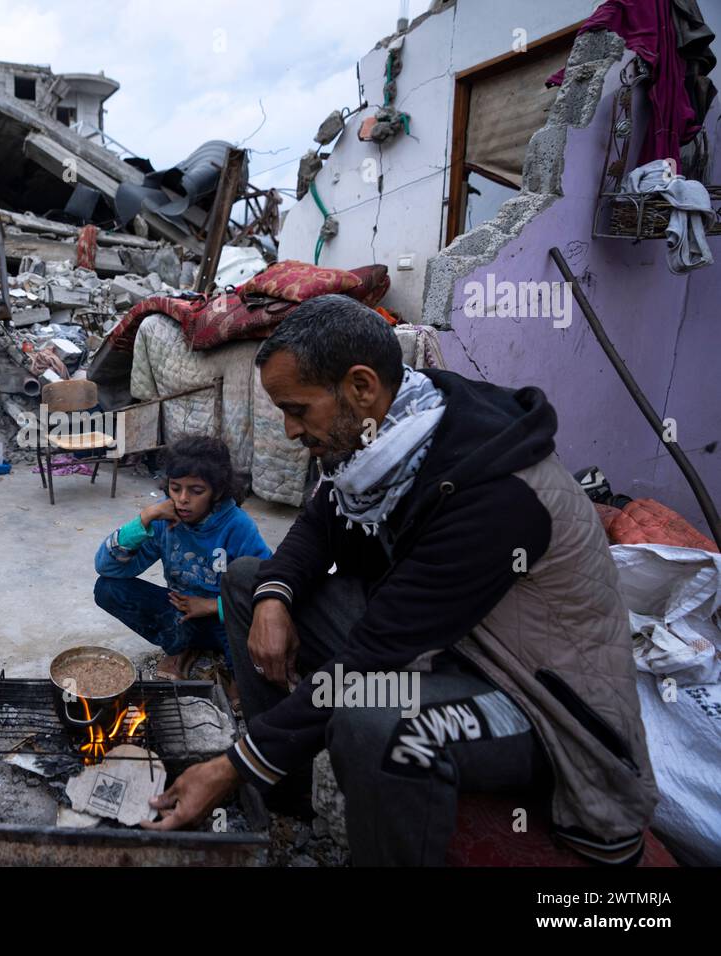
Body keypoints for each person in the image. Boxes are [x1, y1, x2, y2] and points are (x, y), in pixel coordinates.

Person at [142, 295, 658, 866]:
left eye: (296, 409)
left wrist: (231, 764)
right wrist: (271, 597)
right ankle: (282, 794)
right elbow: (320, 523)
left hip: (529, 695)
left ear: (361, 387)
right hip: (444, 642)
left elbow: (374, 656)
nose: (290, 431)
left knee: (373, 719)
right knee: (245, 582)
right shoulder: (382, 434)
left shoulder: (496, 495)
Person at [93, 435, 271, 684]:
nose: (182, 499)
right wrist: (144, 519)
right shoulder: (165, 520)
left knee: (250, 682)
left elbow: (269, 589)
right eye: (175, 488)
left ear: (217, 491)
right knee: (107, 589)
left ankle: (223, 666)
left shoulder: (237, 526)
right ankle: (183, 648)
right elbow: (106, 567)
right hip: (183, 614)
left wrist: (212, 606)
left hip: (228, 619)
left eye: (196, 491)